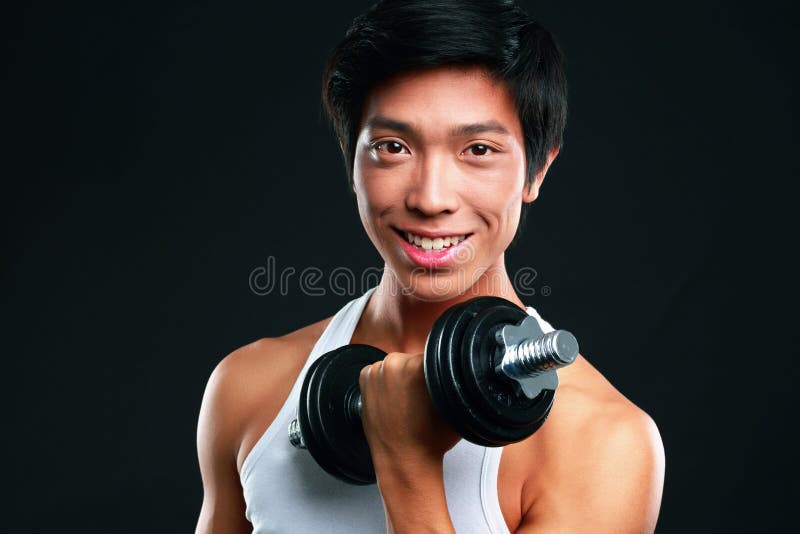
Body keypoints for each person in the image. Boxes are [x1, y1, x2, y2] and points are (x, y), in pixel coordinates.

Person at [195, 0, 665, 532]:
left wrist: (406, 461)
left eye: (478, 150)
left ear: (536, 172)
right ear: (351, 161)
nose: (431, 198)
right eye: (393, 147)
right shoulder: (248, 387)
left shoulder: (604, 442)